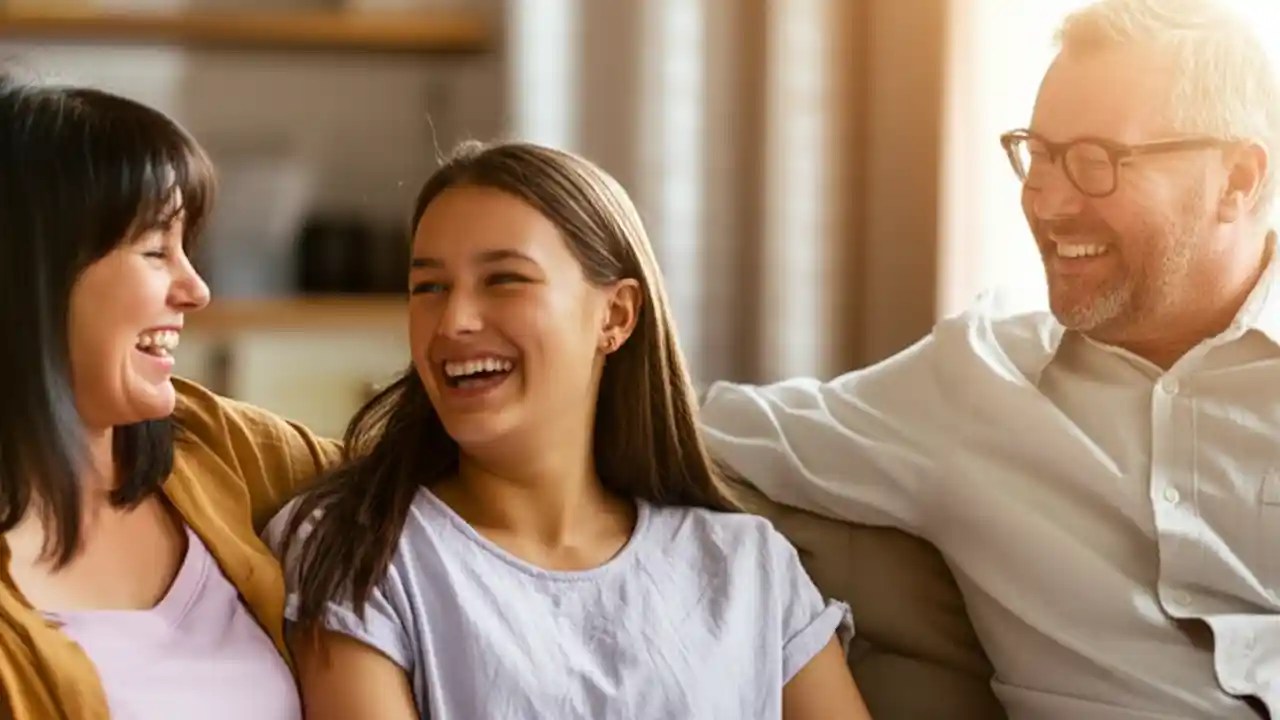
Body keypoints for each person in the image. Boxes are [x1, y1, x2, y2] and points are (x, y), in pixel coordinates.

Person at [699, 0, 1280, 718]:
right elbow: (702, 426)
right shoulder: (976, 380)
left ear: (1238, 181)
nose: (1046, 199)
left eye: (1095, 162)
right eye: (1037, 153)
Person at [266, 140, 871, 719]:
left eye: (504, 279)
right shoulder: (356, 548)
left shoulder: (746, 566)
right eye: (429, 287)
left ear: (616, 314)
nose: (453, 320)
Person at [0, 79, 340, 719]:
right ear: (31, 276)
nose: (196, 289)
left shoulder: (220, 446)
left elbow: (420, 488)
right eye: (156, 249)